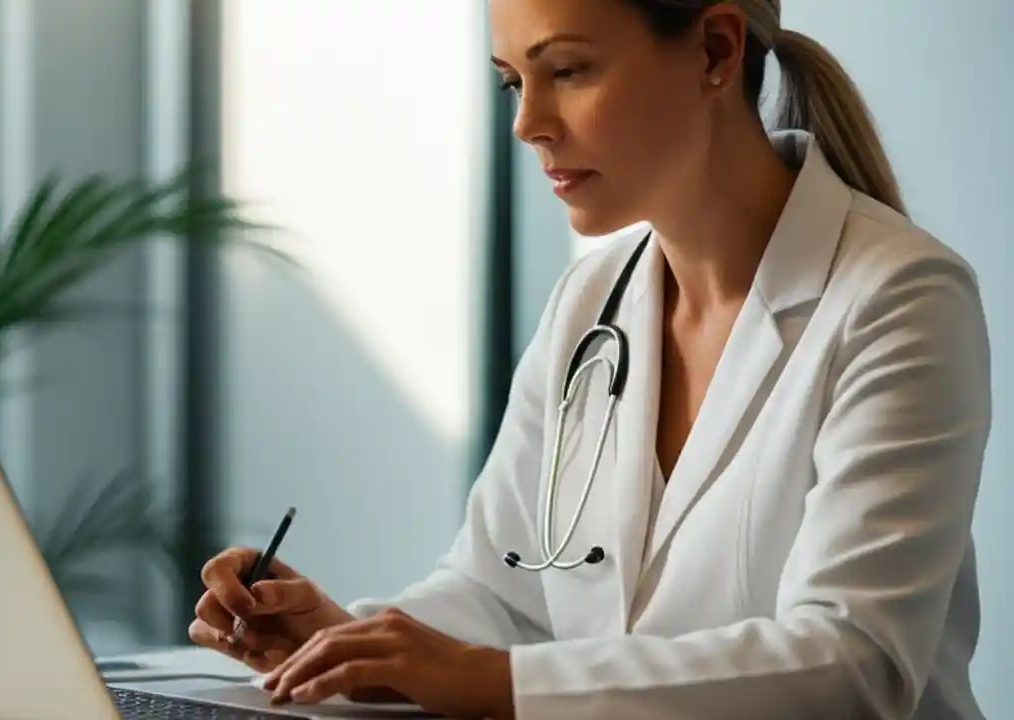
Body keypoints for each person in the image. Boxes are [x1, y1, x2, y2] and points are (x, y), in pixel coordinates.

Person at [189, 1, 993, 718]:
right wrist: (346, 641)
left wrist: (491, 682)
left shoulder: (898, 297)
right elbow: (498, 597)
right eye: (512, 83)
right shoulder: (590, 302)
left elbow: (854, 664)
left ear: (715, 50)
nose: (527, 123)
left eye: (566, 71)